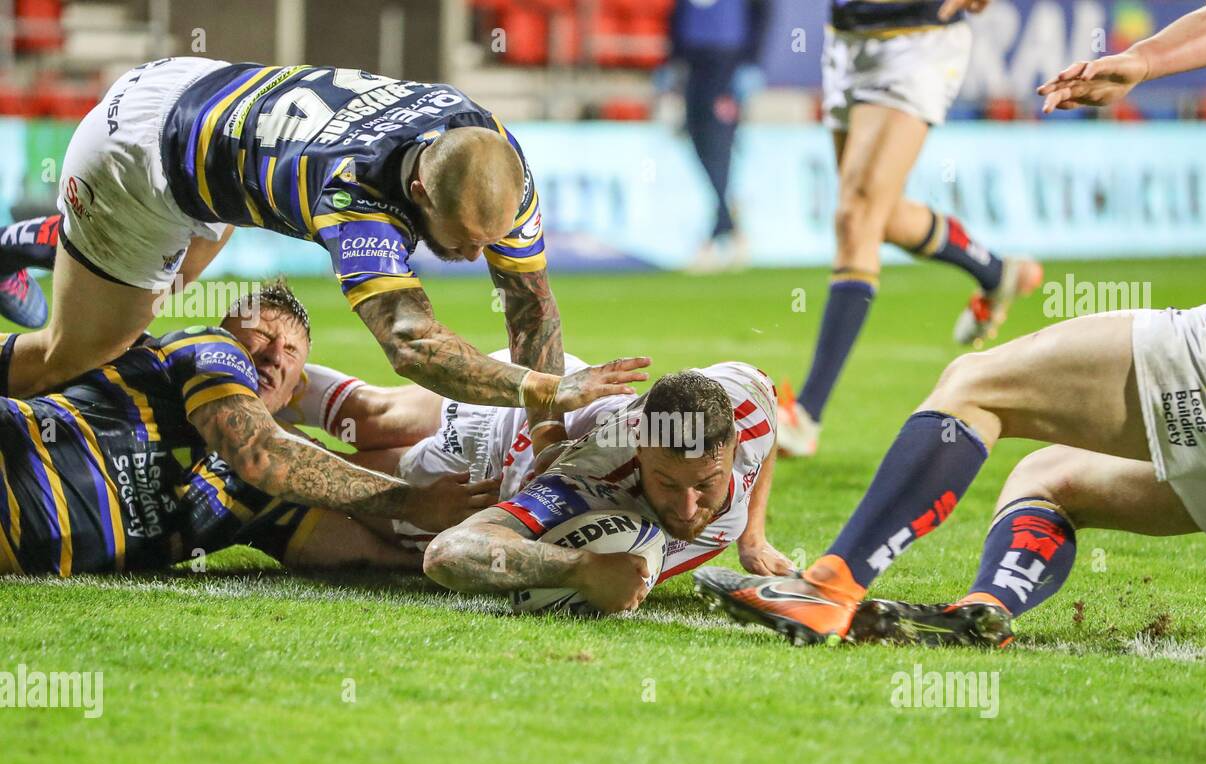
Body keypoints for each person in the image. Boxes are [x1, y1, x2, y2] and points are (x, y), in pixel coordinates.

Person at [694, 0, 1206, 645]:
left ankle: (827, 589)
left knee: (976, 384)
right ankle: (983, 613)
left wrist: (1141, 61)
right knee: (1048, 480)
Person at [0, 58, 648, 456]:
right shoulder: (352, 197)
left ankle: (50, 243)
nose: (477, 254)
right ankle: (67, 243)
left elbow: (526, 301)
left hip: (201, 102)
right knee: (79, 352)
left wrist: (547, 433)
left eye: (490, 238)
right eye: (464, 240)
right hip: (138, 160)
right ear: (418, 190)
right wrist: (538, 387)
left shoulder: (492, 155)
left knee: (152, 290)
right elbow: (412, 345)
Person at [0, 280, 492, 575]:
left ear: (296, 391)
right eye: (261, 332)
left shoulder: (264, 495)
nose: (273, 355)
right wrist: (411, 501)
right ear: (228, 331)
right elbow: (260, 452)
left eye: (291, 353)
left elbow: (360, 554)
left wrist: (456, 559)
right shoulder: (202, 350)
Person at [776, 0, 1042, 458]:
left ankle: (806, 415)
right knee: (877, 214)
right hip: (848, 38)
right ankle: (998, 273)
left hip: (917, 38)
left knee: (857, 215)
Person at [423, 362, 790, 614]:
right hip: (489, 442)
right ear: (640, 449)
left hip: (586, 410)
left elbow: (768, 411)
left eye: (706, 483)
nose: (688, 508)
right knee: (373, 420)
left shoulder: (748, 407)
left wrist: (753, 538)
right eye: (666, 483)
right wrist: (583, 569)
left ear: (736, 441)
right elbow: (446, 553)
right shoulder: (589, 481)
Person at [670, 0, 771, 273]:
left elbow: (762, 12)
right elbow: (680, 10)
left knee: (718, 142)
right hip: (694, 61)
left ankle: (719, 232)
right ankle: (729, 225)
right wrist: (675, 56)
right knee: (697, 138)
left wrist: (750, 61)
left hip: (727, 59)